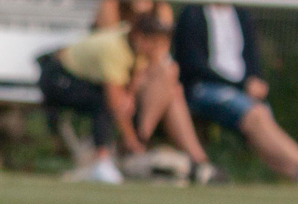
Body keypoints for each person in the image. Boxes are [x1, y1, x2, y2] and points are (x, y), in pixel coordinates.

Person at [38, 14, 217, 184]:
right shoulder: (113, 50)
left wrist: (130, 96)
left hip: (84, 79)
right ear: (140, 37)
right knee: (102, 102)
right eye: (155, 42)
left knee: (164, 92)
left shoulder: (136, 47)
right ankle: (102, 161)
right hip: (57, 77)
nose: (159, 48)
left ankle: (140, 146)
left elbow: (130, 88)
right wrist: (132, 140)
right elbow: (115, 103)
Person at [173, 0, 298, 181]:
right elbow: (193, 65)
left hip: (242, 94)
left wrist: (256, 81)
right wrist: (243, 85)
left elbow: (252, 58)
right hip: (206, 89)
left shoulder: (242, 15)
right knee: (257, 115)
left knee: (259, 119)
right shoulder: (192, 14)